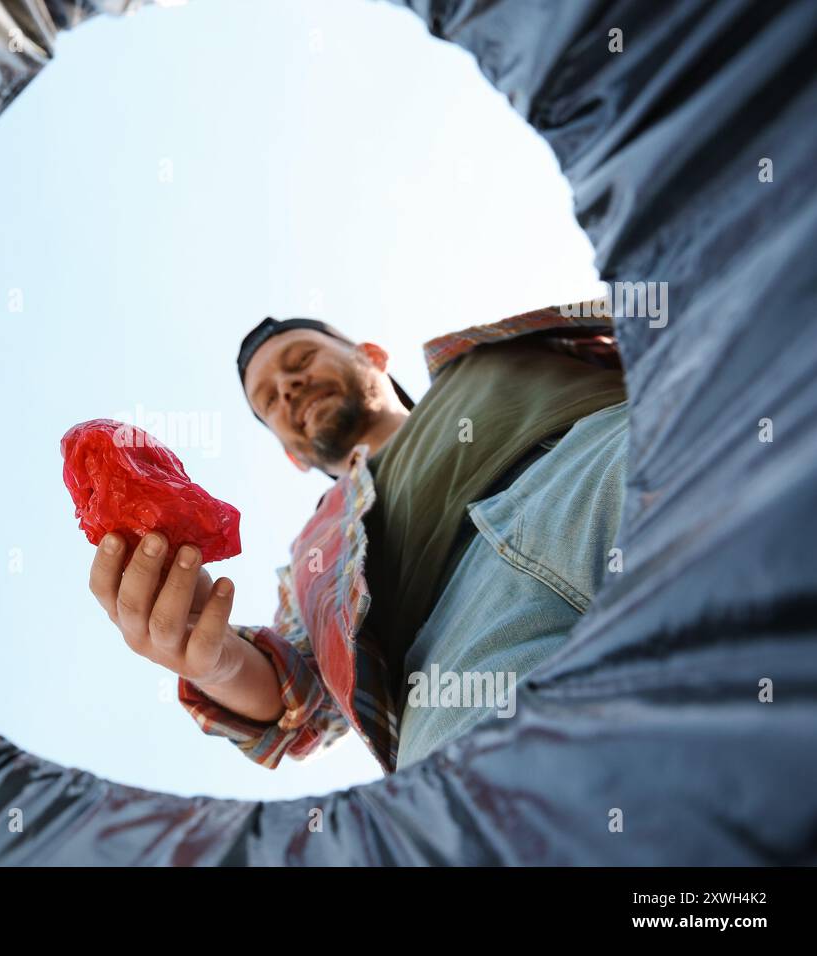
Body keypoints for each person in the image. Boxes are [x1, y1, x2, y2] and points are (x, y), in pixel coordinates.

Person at [87, 302, 629, 772]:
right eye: (270, 401)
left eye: (299, 361)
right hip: (455, 655)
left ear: (372, 355)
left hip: (600, 460)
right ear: (292, 455)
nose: (288, 387)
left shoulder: (490, 361)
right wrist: (213, 660)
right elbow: (299, 700)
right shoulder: (312, 556)